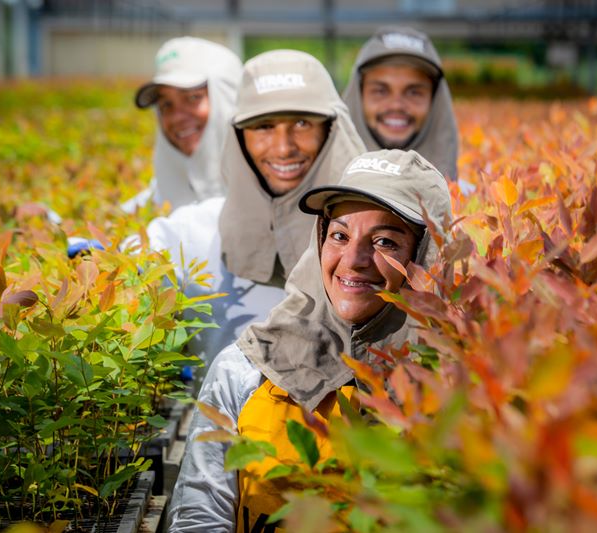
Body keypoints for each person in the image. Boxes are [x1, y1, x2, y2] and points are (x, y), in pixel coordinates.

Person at [166, 149, 452, 532]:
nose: (353, 259)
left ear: (426, 257)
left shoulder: (456, 388)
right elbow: (199, 518)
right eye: (339, 235)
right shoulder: (246, 367)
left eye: (385, 241)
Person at [137, 49, 365, 369]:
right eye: (264, 127)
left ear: (331, 129)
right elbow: (130, 261)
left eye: (301, 123)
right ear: (239, 137)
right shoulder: (195, 231)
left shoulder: (380, 239)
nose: (284, 147)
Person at [123, 37, 242, 212]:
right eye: (166, 105)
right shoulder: (160, 197)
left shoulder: (275, 194)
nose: (176, 117)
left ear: (229, 97)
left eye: (193, 97)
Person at [342, 26, 459, 181]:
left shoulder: (466, 199)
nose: (396, 105)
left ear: (435, 100)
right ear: (358, 97)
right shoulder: (315, 198)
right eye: (380, 91)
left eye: (414, 92)